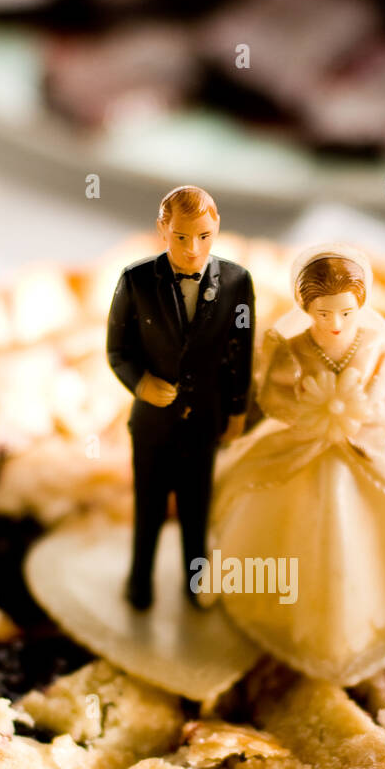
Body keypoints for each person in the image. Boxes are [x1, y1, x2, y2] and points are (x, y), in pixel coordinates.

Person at [208, 243, 385, 683]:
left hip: (372, 439)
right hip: (305, 444)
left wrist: (364, 411)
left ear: (361, 306)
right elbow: (273, 394)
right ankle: (283, 605)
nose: (334, 324)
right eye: (323, 314)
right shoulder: (291, 346)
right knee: (289, 518)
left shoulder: (377, 342)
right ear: (305, 307)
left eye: (345, 313)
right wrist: (308, 412)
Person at [106, 185, 255, 609]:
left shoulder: (237, 282)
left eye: (204, 237)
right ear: (162, 230)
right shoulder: (135, 280)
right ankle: (140, 581)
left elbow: (240, 352)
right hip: (152, 422)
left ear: (218, 229)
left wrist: (238, 408)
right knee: (148, 507)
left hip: (204, 420)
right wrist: (141, 384)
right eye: (182, 237)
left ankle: (196, 581)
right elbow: (117, 350)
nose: (193, 249)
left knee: (197, 508)